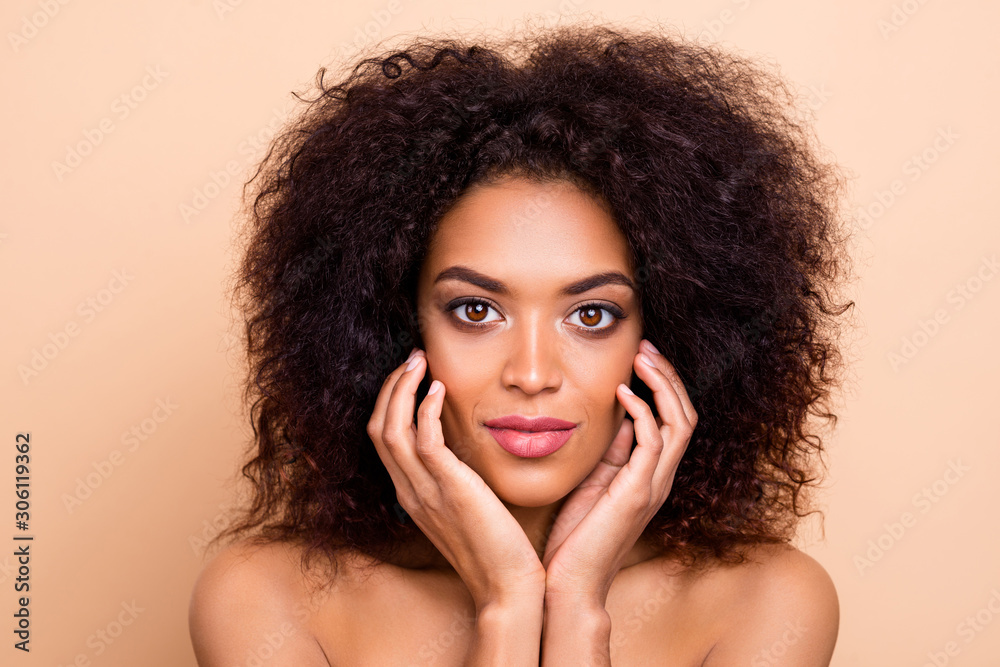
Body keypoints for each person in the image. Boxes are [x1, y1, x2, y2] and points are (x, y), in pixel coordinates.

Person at [189, 20, 853, 665]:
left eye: (591, 315)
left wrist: (576, 607)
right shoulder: (268, 601)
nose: (533, 373)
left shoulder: (765, 604)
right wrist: (507, 606)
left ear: (670, 337)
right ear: (394, 326)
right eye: (476, 309)